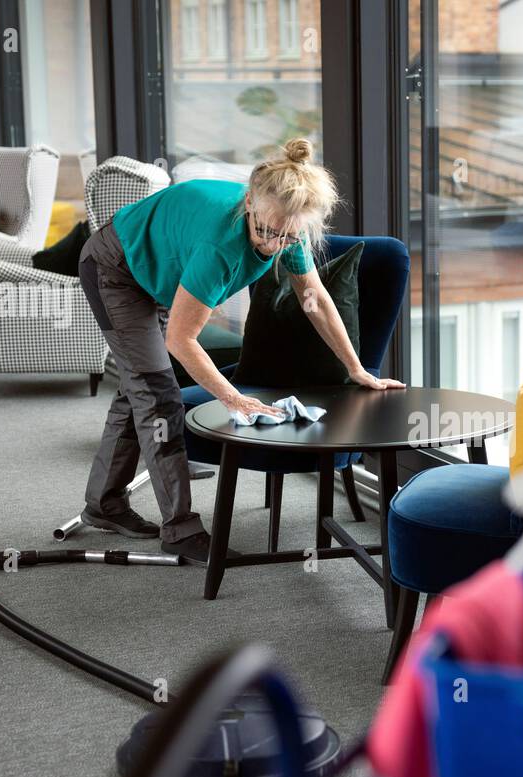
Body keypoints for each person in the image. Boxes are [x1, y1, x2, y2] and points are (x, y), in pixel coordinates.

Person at [76, 138, 404, 565]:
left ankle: (104, 503)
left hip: (161, 268)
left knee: (140, 386)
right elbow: (182, 339)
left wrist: (356, 367)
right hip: (115, 269)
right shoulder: (220, 247)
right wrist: (232, 396)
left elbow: (315, 299)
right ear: (249, 203)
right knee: (157, 393)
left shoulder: (286, 227)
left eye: (286, 237)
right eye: (266, 232)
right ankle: (180, 530)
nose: (273, 245)